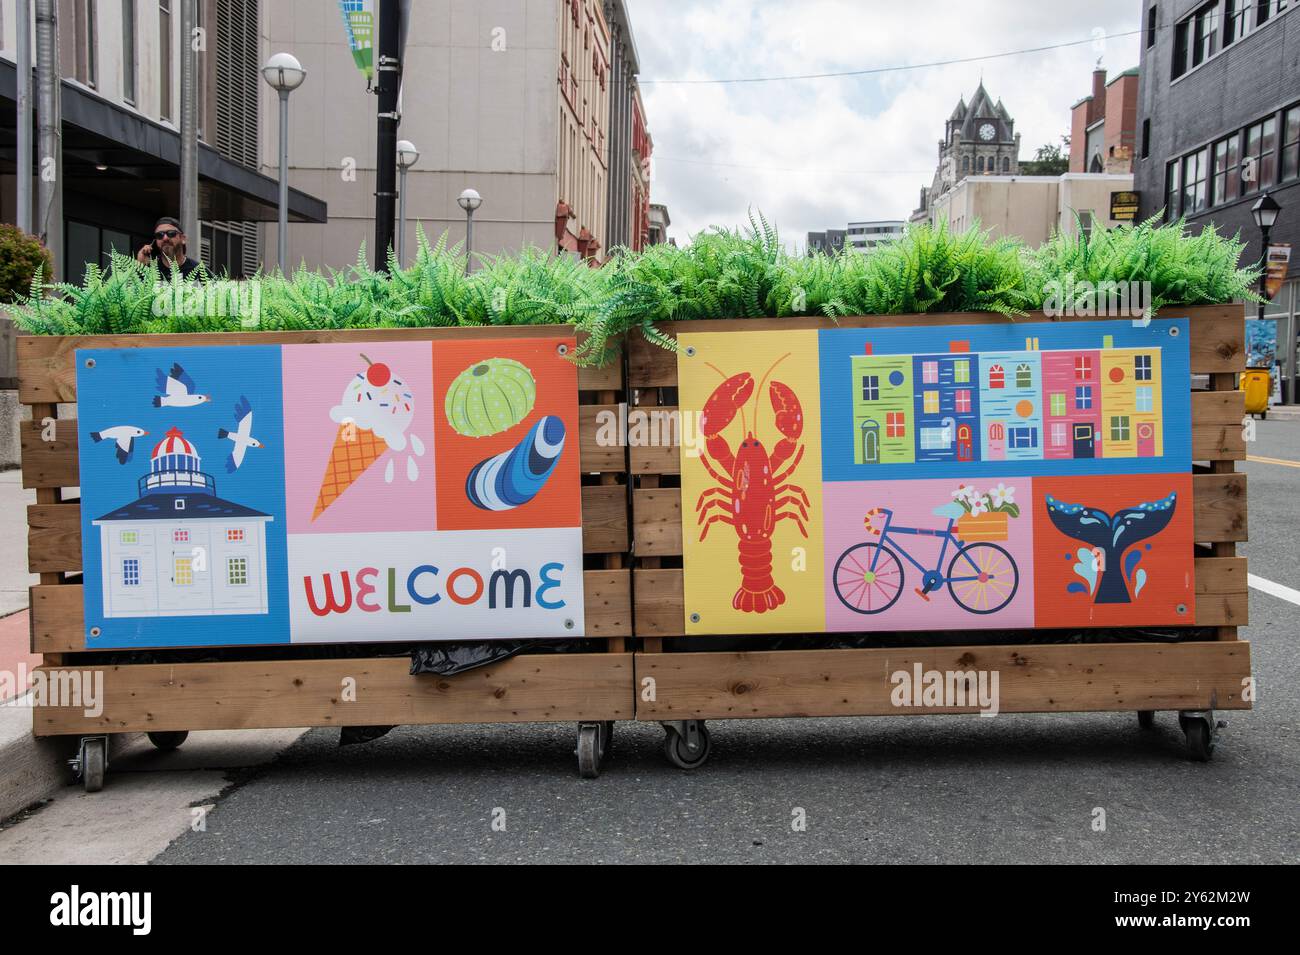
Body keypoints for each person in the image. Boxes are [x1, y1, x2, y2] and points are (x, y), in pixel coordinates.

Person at [136, 217, 201, 281]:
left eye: (171, 233)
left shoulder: (200, 272)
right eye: (159, 235)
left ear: (183, 238)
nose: (165, 238)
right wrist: (140, 266)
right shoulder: (149, 270)